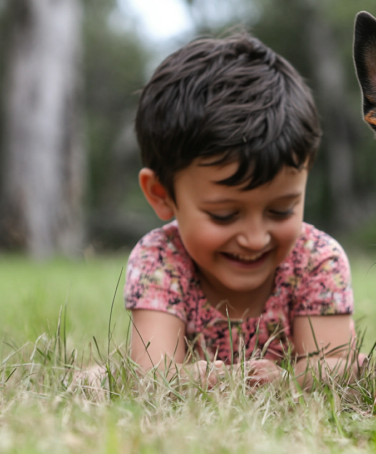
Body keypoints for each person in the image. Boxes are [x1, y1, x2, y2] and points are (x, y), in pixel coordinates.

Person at [125, 34, 359, 387]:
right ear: (161, 194)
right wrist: (199, 380)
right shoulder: (160, 260)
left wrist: (286, 380)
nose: (254, 238)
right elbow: (152, 377)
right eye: (224, 215)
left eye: (281, 210)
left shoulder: (316, 261)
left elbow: (338, 369)